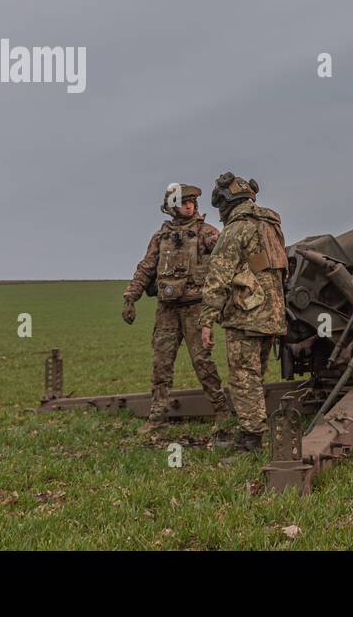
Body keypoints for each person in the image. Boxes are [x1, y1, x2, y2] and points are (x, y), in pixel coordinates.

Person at [122, 184, 230, 436]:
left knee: (202, 363)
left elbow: (226, 260)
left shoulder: (206, 233)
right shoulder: (161, 238)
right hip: (167, 310)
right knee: (161, 364)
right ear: (171, 206)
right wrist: (130, 297)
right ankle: (157, 417)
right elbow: (146, 268)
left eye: (192, 201)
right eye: (184, 202)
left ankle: (222, 412)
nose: (189, 206)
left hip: (195, 308)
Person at [198, 172, 288, 452]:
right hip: (272, 315)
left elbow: (218, 277)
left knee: (243, 379)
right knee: (255, 376)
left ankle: (251, 442)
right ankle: (250, 431)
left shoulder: (237, 229)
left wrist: (205, 320)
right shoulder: (271, 225)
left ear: (225, 202)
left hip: (246, 316)